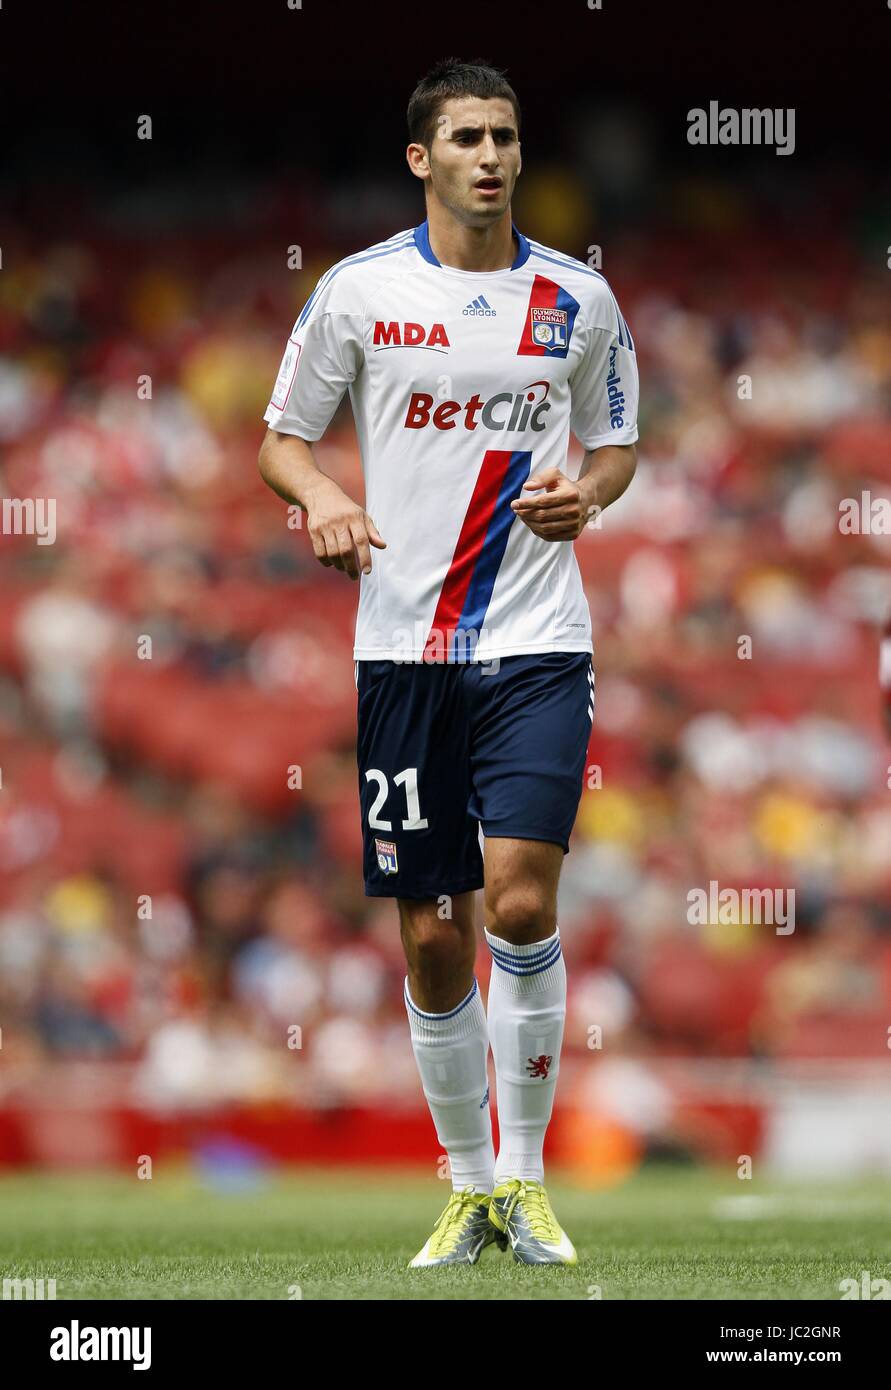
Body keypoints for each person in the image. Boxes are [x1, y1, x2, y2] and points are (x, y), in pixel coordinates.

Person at [259, 56, 639, 1267]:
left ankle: (526, 1180)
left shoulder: (580, 299)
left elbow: (619, 444)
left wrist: (589, 492)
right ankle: (468, 1186)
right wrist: (321, 494)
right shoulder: (358, 293)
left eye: (507, 136)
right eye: (467, 137)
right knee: (432, 930)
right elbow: (281, 442)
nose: (491, 155)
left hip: (538, 638)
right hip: (403, 652)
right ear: (422, 158)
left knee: (521, 895)